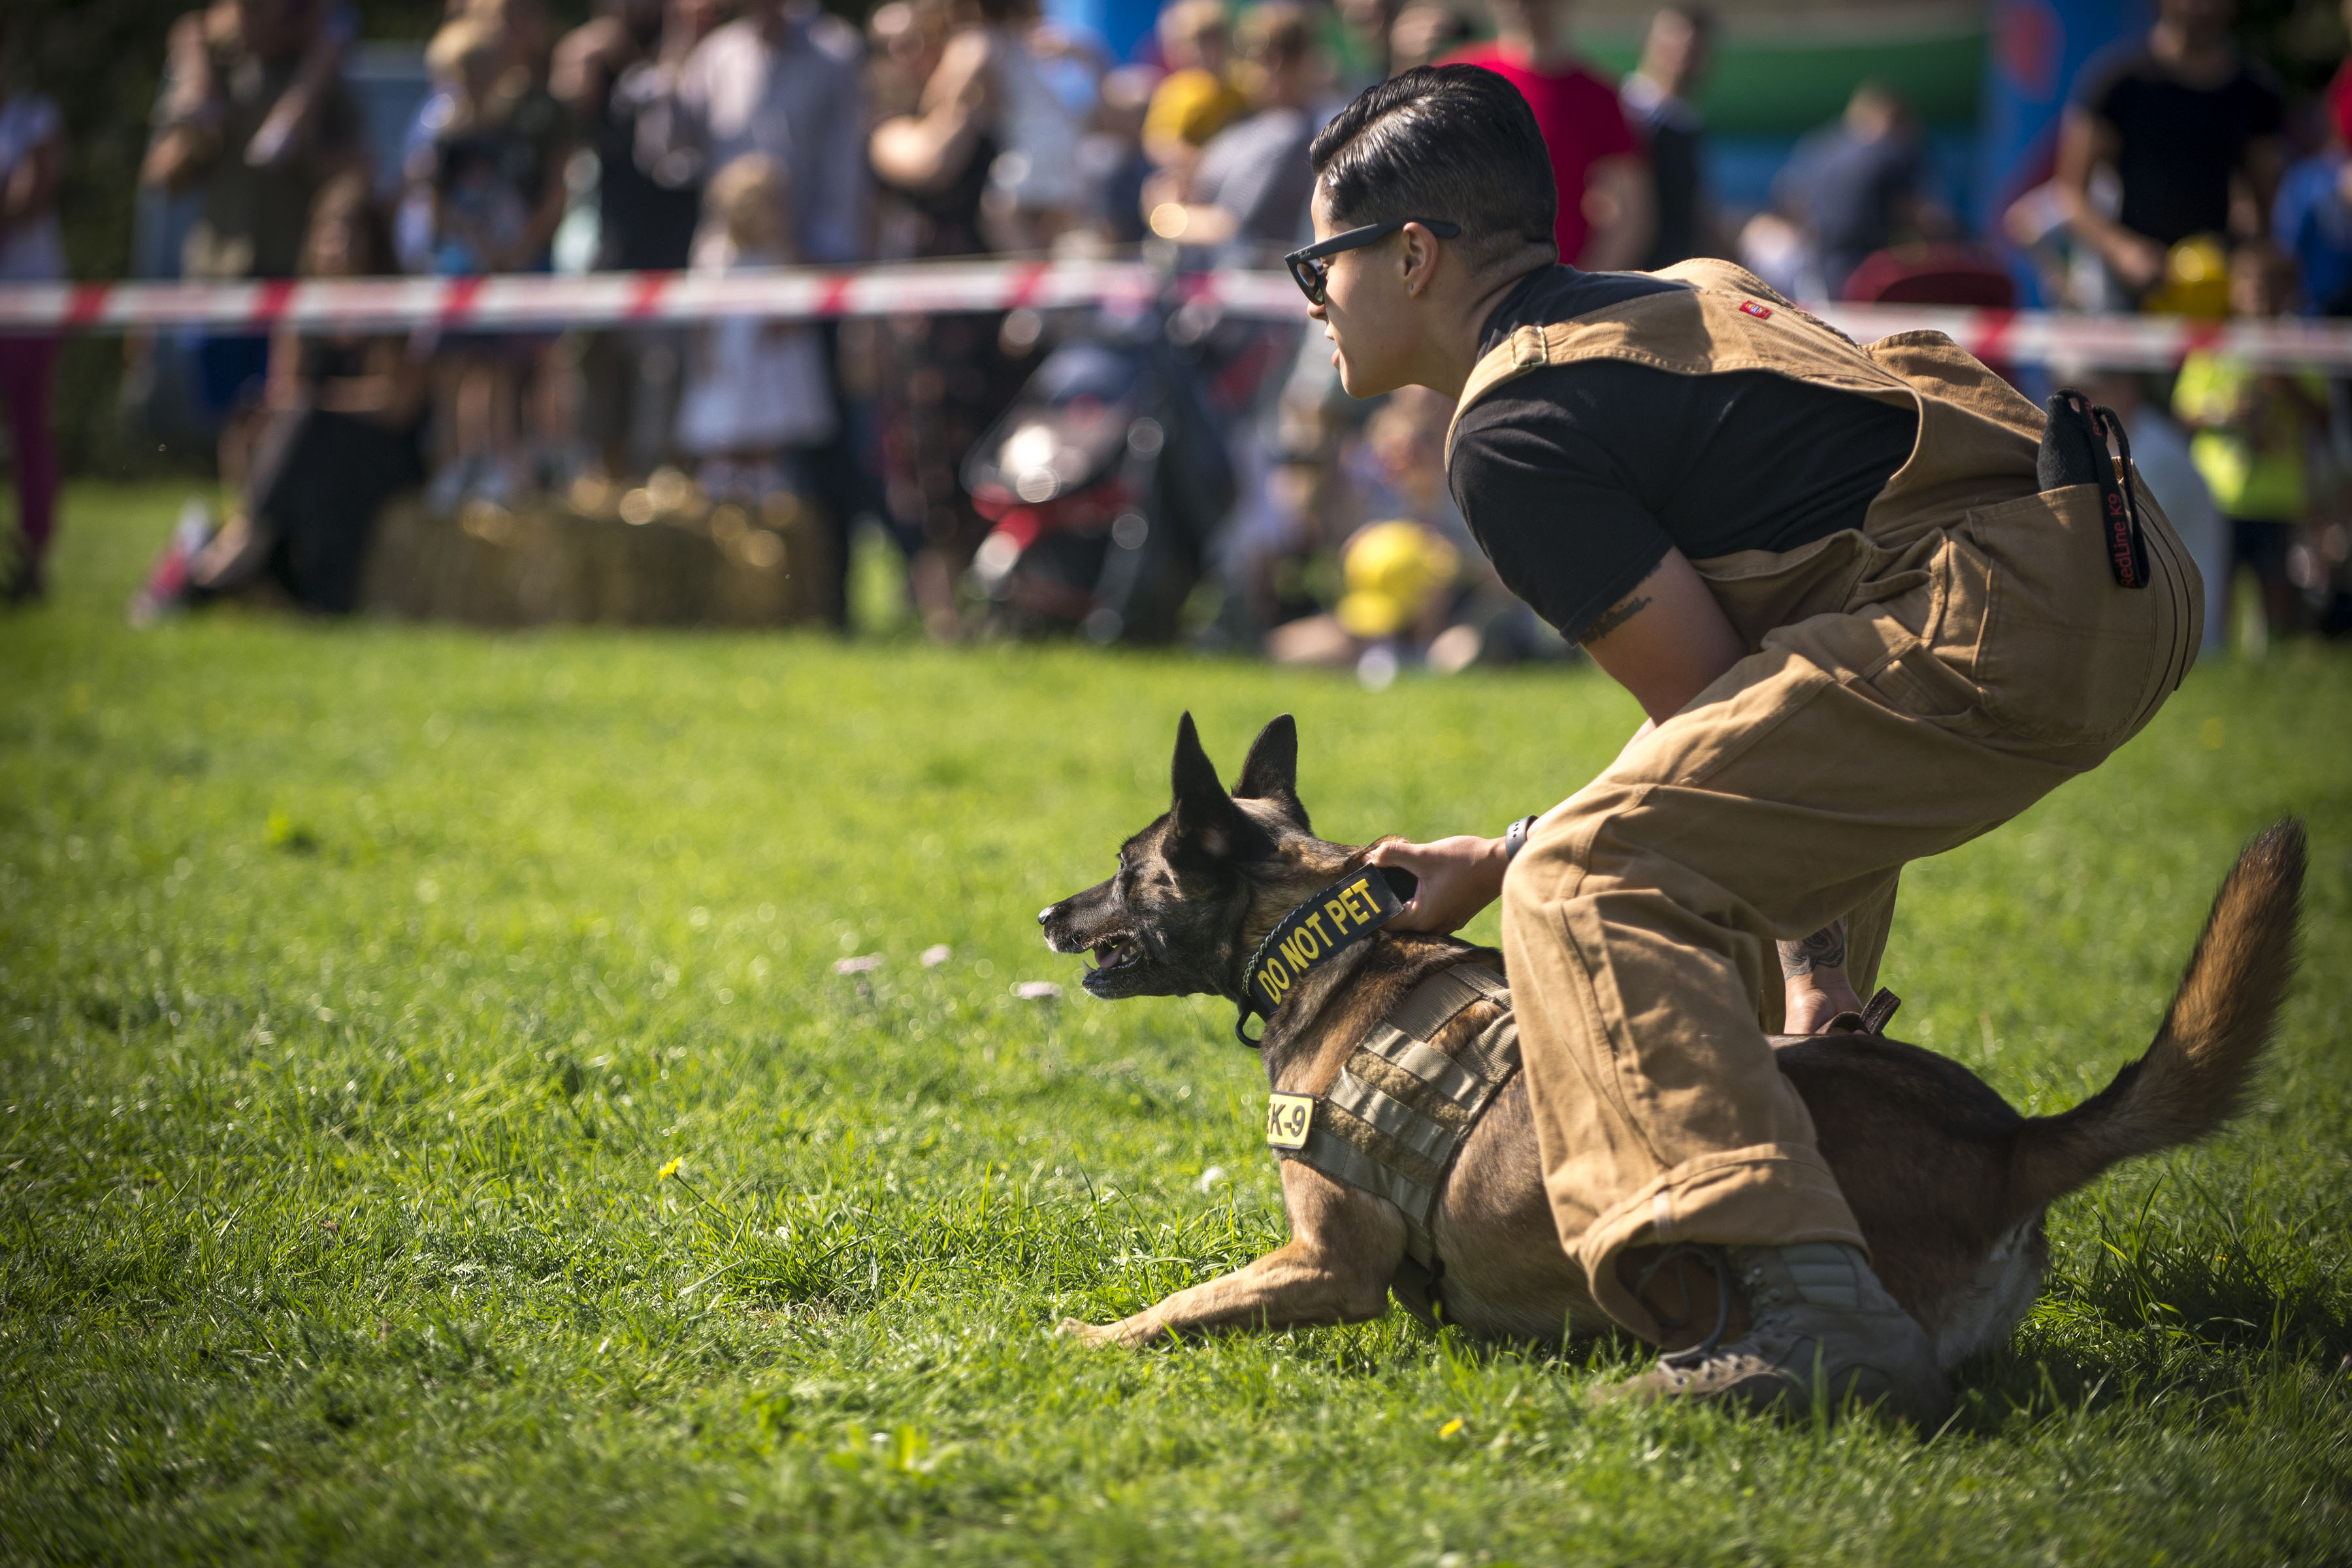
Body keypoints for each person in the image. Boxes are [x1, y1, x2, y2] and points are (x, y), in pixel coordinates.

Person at [1289, 65, 2199, 1422]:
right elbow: (1772, 716)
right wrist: (1804, 970)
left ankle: (1808, 1319)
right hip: (2119, 569)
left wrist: (1530, 862)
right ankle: (1800, 1255)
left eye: (1320, 265)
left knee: (1585, 886)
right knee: (1649, 872)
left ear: (1411, 255)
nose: (1310, 304)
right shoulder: (1681, 294)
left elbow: (1709, 714)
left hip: (2014, 606)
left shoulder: (1511, 429)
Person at [134, 173, 427, 619]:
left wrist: (320, 403)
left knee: (308, 422)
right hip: (316, 453)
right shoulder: (299, 309)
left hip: (381, 454)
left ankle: (226, 554)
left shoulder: (386, 305)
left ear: (371, 242)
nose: (336, 246)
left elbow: (396, 405)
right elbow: (282, 393)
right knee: (260, 420)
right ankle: (238, 548)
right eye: (329, 234)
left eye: (348, 235)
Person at [140, 0, 364, 522]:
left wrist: (301, 133)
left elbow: (357, 171)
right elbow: (162, 178)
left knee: (279, 407)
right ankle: (243, 523)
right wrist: (198, 126)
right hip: (217, 272)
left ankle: (270, 527)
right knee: (233, 415)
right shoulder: (209, 71)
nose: (255, 22)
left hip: (291, 271)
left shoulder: (321, 77)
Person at [2055, 0, 2285, 310]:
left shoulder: (2257, 93)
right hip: (2123, 294)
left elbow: (2267, 209)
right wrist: (2122, 250)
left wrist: (2253, 260)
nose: (2203, 8)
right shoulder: (2116, 82)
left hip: (2217, 290)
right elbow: (2070, 193)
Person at [2174, 243, 2329, 648]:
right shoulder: (2216, 344)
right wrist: (2226, 413)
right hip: (2219, 493)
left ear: (2290, 293)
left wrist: (2288, 387)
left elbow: (2322, 416)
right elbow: (2184, 411)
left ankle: (2274, 657)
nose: (2260, 295)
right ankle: (2211, 654)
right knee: (2214, 581)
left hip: (2277, 497)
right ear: (2234, 291)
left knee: (2276, 583)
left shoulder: (2300, 349)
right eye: (2250, 285)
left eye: (2272, 287)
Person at [674, 155, 838, 500]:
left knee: (768, 430)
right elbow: (703, 312)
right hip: (731, 357)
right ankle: (721, 494)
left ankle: (766, 496)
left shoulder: (783, 250)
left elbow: (799, 300)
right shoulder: (716, 250)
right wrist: (704, 352)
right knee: (725, 427)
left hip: (771, 360)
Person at [1441, 0, 1650, 270]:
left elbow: (1631, 215)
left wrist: (1585, 292)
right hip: (1470, 291)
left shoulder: (1597, 97)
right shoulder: (1454, 79)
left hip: (1560, 290)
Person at [0, 12, 66, 605]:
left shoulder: (32, 119)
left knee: (28, 431)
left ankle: (33, 555)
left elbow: (27, 201)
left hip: (28, 302)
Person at [1779, 82, 1939, 299]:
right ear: (1893, 120)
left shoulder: (1817, 147)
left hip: (1820, 272)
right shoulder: (1890, 154)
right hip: (1874, 275)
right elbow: (1918, 215)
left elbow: (1791, 202)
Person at [1618, 5, 1712, 272]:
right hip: (1633, 286)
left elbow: (1698, 211)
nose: (1684, 57)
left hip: (1680, 282)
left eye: (1694, 49)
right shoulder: (1627, 114)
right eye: (1675, 44)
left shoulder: (1689, 124)